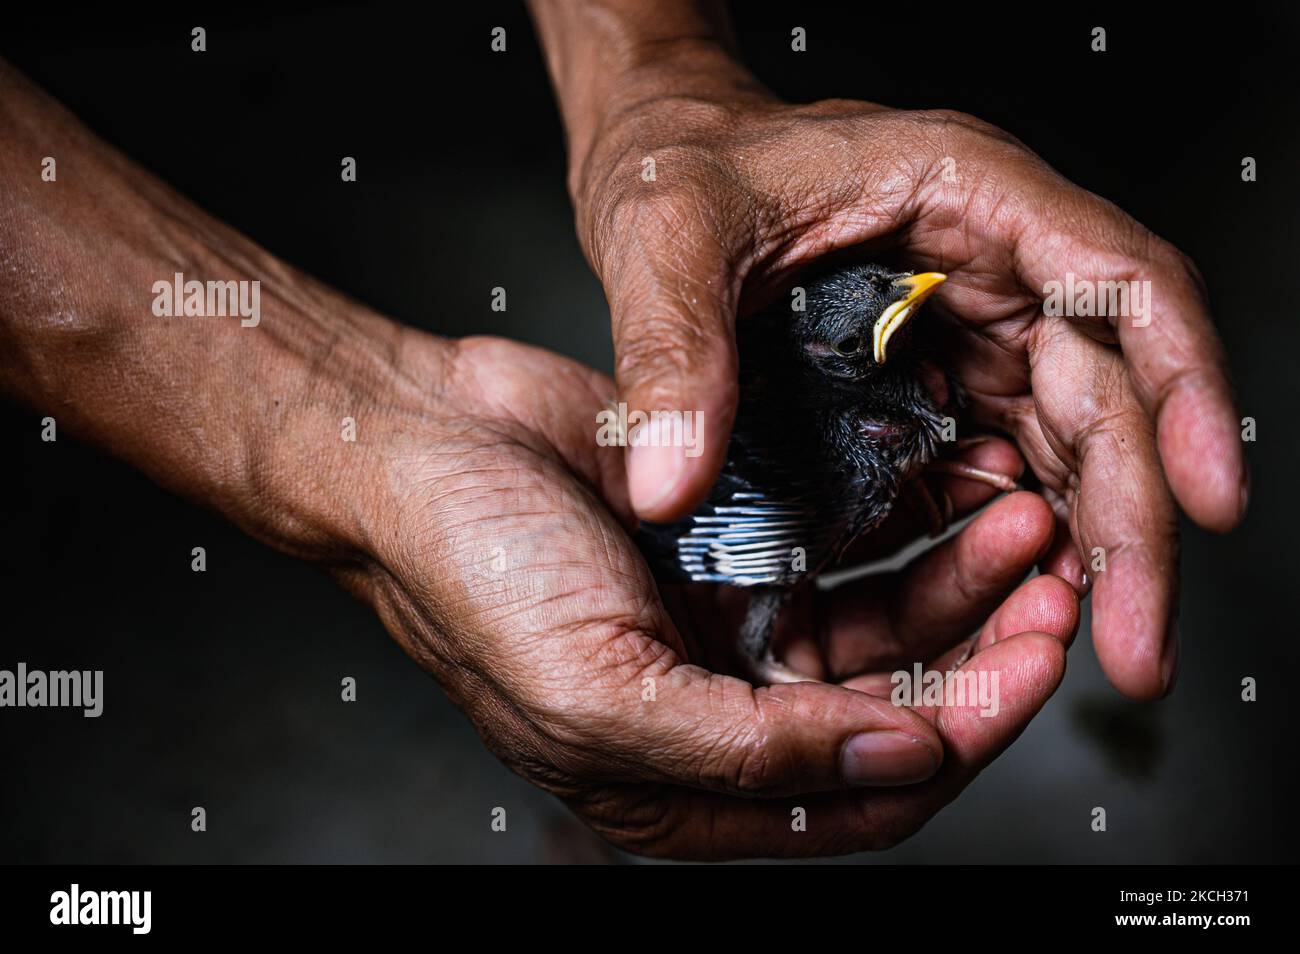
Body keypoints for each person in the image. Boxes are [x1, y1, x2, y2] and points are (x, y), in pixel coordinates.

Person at [0, 1, 1243, 859]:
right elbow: (768, 505)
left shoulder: (864, 386)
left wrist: (661, 77)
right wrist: (347, 453)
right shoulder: (829, 424)